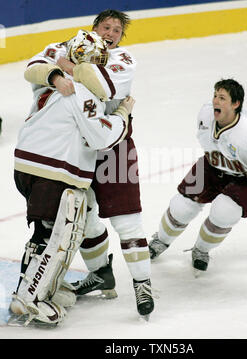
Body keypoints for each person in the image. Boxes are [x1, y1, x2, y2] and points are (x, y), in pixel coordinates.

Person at [23, 10, 154, 319]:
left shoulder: (124, 60)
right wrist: (59, 70)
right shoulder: (67, 45)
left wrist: (66, 66)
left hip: (114, 146)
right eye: (106, 27)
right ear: (94, 28)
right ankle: (101, 274)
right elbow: (33, 67)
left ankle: (142, 283)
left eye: (117, 30)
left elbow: (102, 88)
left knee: (127, 221)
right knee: (83, 219)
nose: (110, 33)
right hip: (74, 150)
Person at [149, 79, 247, 273]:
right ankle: (160, 241)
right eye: (215, 95)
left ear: (236, 104)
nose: (216, 101)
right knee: (181, 207)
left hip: (246, 180)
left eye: (222, 98)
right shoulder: (205, 114)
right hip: (212, 167)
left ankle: (201, 250)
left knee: (225, 212)